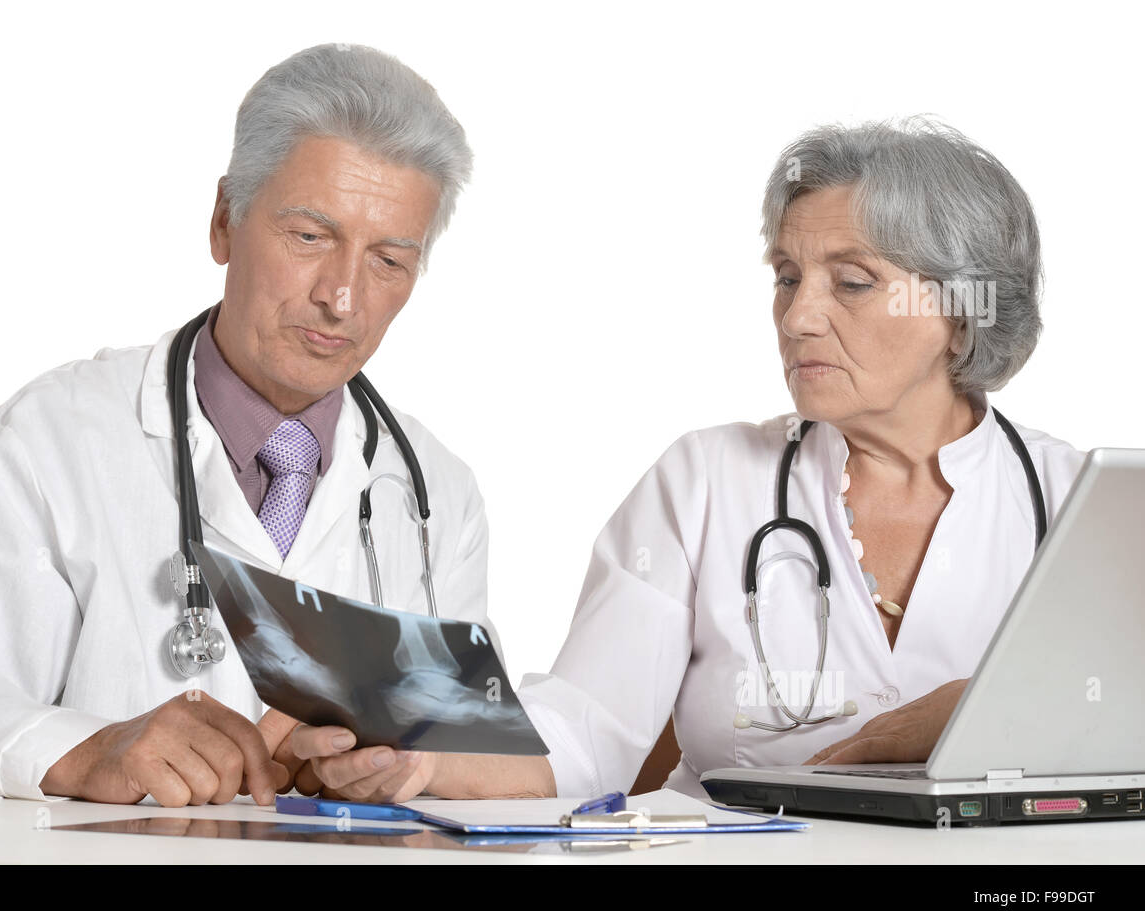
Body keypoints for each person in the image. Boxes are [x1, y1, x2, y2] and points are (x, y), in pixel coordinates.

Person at [311, 117, 1087, 802]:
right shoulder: (706, 481)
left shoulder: (1081, 501)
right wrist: (419, 750)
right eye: (787, 278)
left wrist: (977, 707)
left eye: (851, 281)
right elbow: (588, 730)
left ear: (959, 315)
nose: (798, 315)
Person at [0, 43, 494, 808]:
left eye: (388, 259)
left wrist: (406, 765)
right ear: (225, 220)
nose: (343, 298)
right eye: (310, 237)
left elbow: (473, 747)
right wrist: (80, 749)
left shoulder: (433, 494)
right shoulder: (55, 441)